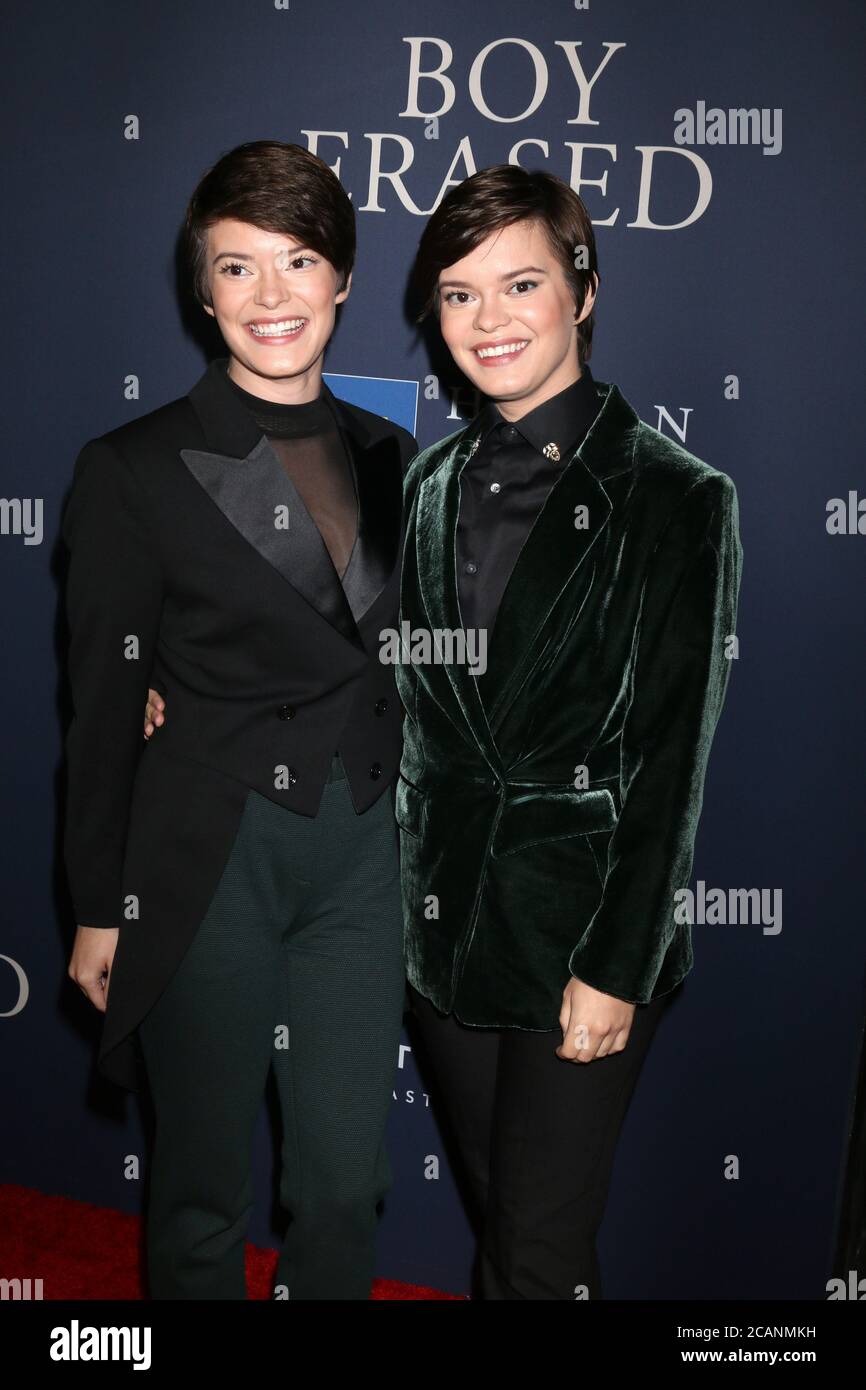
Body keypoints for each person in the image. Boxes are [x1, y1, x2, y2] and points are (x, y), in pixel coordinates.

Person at [63, 140, 416, 1300]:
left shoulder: (394, 456)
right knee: (202, 1185)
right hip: (209, 852)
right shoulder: (132, 466)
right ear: (200, 288)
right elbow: (104, 704)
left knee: (342, 1181)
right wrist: (100, 902)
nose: (271, 297)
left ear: (344, 277)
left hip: (361, 855)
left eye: (299, 261)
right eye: (237, 267)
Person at [393, 164, 743, 1299]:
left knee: (540, 1249)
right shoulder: (427, 483)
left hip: (581, 935)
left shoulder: (673, 495)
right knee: (502, 1217)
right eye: (456, 293)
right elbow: (393, 689)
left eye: (519, 283)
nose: (486, 320)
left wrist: (613, 967)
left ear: (581, 293)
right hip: (443, 925)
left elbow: (669, 759)